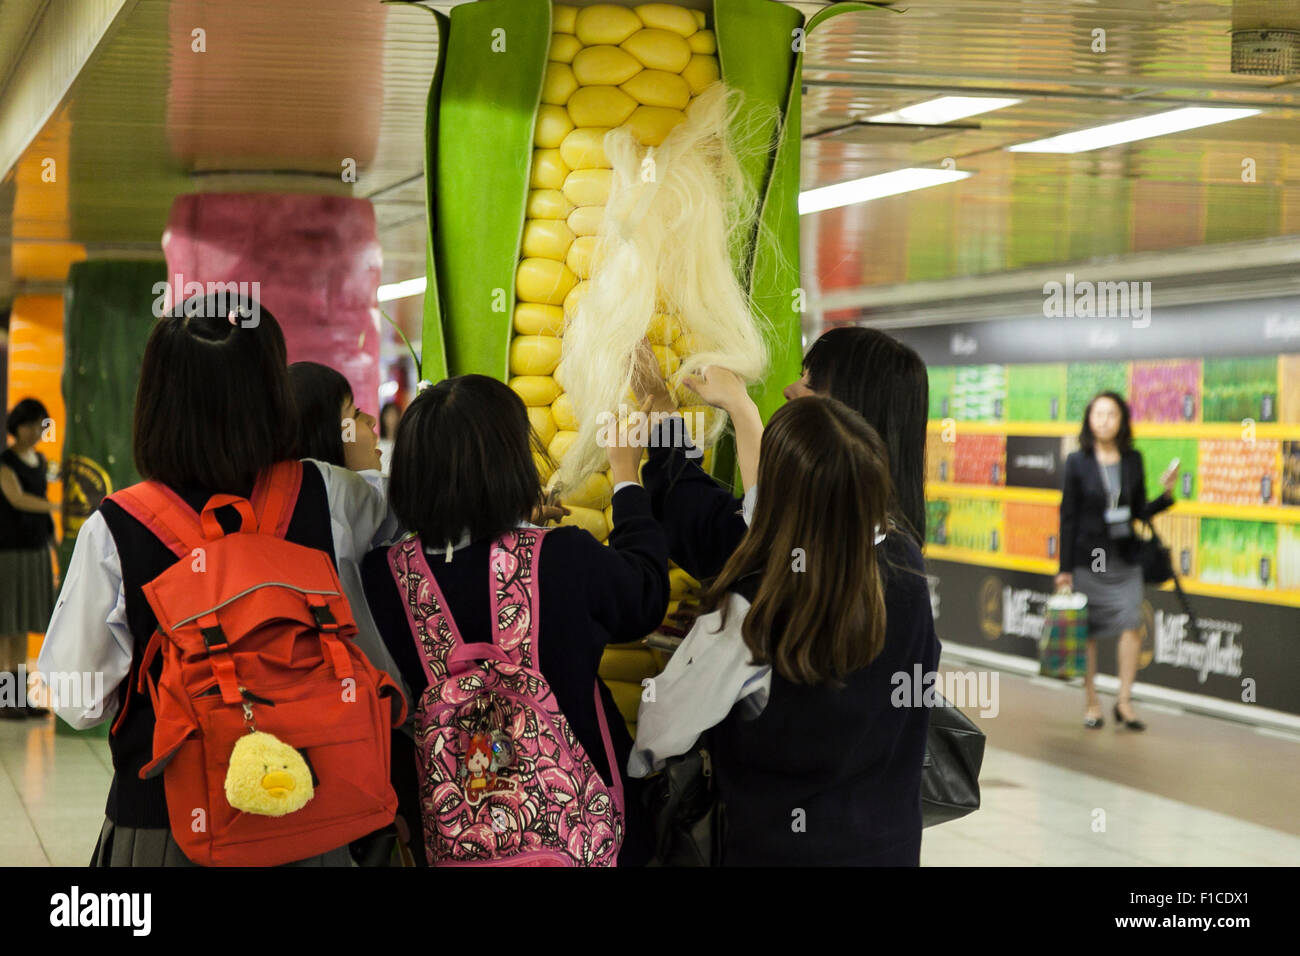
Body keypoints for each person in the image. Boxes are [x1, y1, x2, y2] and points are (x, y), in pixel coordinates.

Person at [37, 292, 401, 866]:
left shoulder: (116, 530)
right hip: (316, 818)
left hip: (168, 827)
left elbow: (74, 697)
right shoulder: (332, 495)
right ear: (272, 393)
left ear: (155, 400)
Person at [360, 374, 669, 865]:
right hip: (589, 841)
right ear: (513, 461)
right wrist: (627, 479)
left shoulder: (381, 577)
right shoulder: (563, 557)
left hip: (461, 842)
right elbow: (645, 597)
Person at [630, 396, 940, 865]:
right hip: (889, 848)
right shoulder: (907, 564)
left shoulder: (754, 607)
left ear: (778, 491)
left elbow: (659, 734)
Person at [640, 326, 929, 582]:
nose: (789, 390)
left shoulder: (887, 572)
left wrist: (742, 409)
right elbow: (695, 517)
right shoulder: (894, 558)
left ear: (852, 416)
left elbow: (770, 538)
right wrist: (661, 405)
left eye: (811, 384)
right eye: (801, 376)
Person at [1055, 391, 1177, 732]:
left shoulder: (1133, 459)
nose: (1104, 420)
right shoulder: (1078, 462)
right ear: (1089, 420)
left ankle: (1124, 700)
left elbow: (1138, 511)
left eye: (1111, 414)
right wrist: (1064, 569)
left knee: (1131, 625)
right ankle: (1092, 700)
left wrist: (1165, 497)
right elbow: (1068, 517)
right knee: (1089, 632)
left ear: (1122, 420)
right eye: (1098, 414)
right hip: (1089, 559)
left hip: (1125, 557)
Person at [288, 361, 407, 699]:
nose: (370, 421)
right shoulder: (333, 491)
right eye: (355, 415)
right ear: (324, 434)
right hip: (365, 708)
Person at [0, 398, 59, 719]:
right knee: (6, 627)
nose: (36, 431)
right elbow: (17, 499)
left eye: (40, 425)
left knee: (21, 627)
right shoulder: (5, 463)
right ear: (17, 427)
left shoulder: (39, 459)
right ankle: (4, 699)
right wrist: (57, 508)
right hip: (8, 553)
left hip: (34, 551)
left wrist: (52, 536)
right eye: (31, 425)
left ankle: (19, 698)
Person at [377, 401, 401, 478]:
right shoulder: (377, 442)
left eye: (394, 414)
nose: (391, 418)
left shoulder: (403, 443)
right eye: (388, 415)